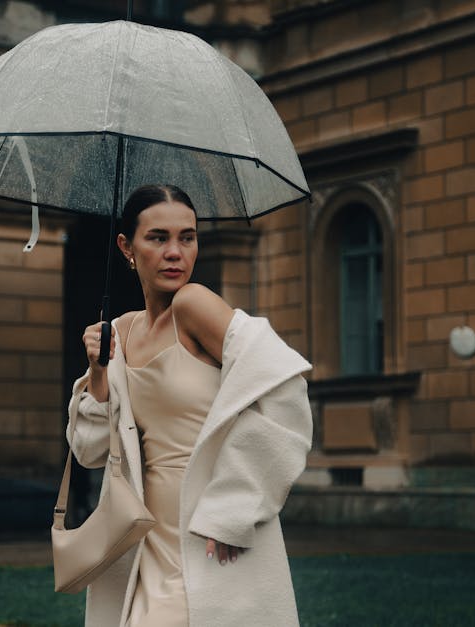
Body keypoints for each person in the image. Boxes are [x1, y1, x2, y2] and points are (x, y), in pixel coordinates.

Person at [67, 184, 313, 627]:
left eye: (188, 237)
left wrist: (233, 507)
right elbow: (91, 450)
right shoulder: (120, 332)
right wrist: (99, 371)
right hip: (145, 536)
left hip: (207, 527)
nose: (176, 252)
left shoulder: (195, 304)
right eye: (158, 238)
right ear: (126, 246)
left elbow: (284, 391)